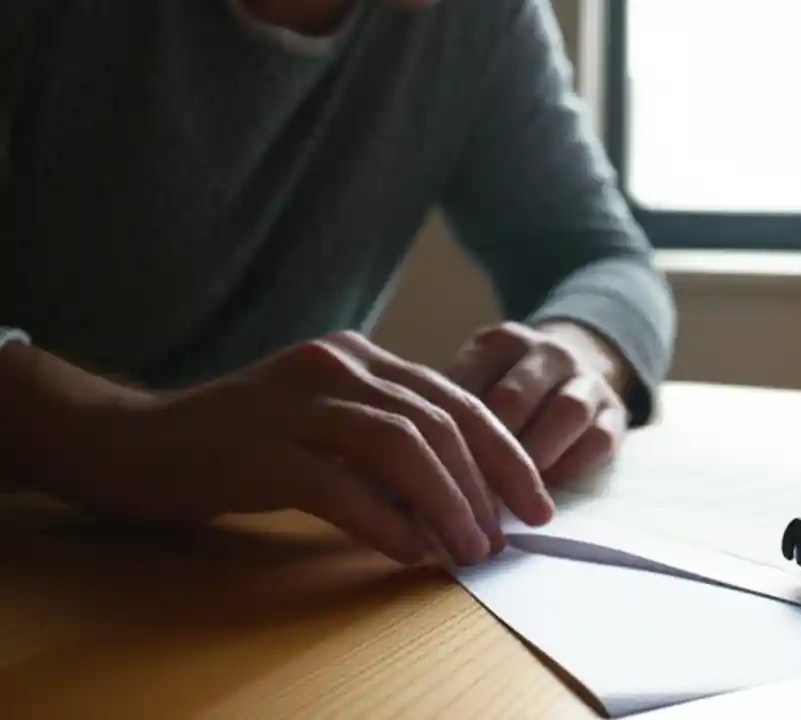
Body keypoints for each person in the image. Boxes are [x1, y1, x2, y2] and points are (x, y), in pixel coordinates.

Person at [0, 0, 675, 566]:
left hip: (261, 572)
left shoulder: (477, 18)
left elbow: (602, 258)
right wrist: (123, 437)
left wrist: (582, 351)